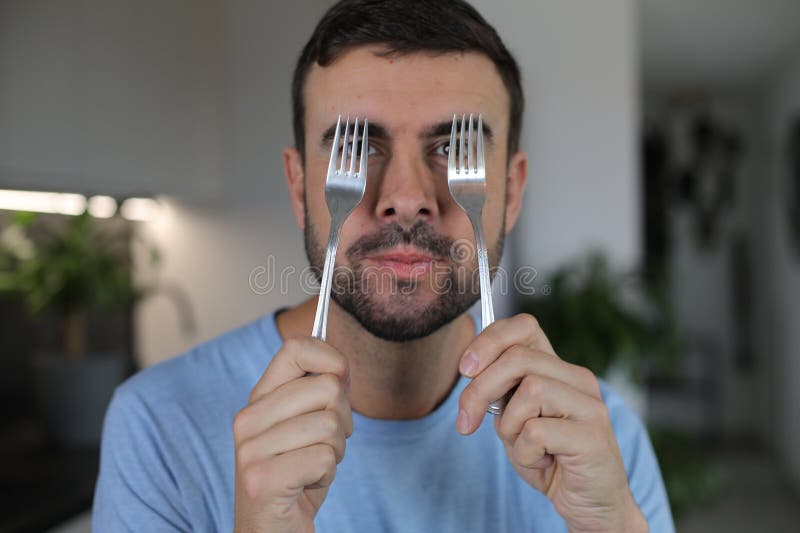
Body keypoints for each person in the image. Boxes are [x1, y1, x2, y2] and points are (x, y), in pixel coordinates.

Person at [93, 0, 674, 531]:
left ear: (512, 190)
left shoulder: (599, 441)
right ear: (299, 187)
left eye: (451, 147)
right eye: (358, 146)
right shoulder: (157, 426)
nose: (405, 195)